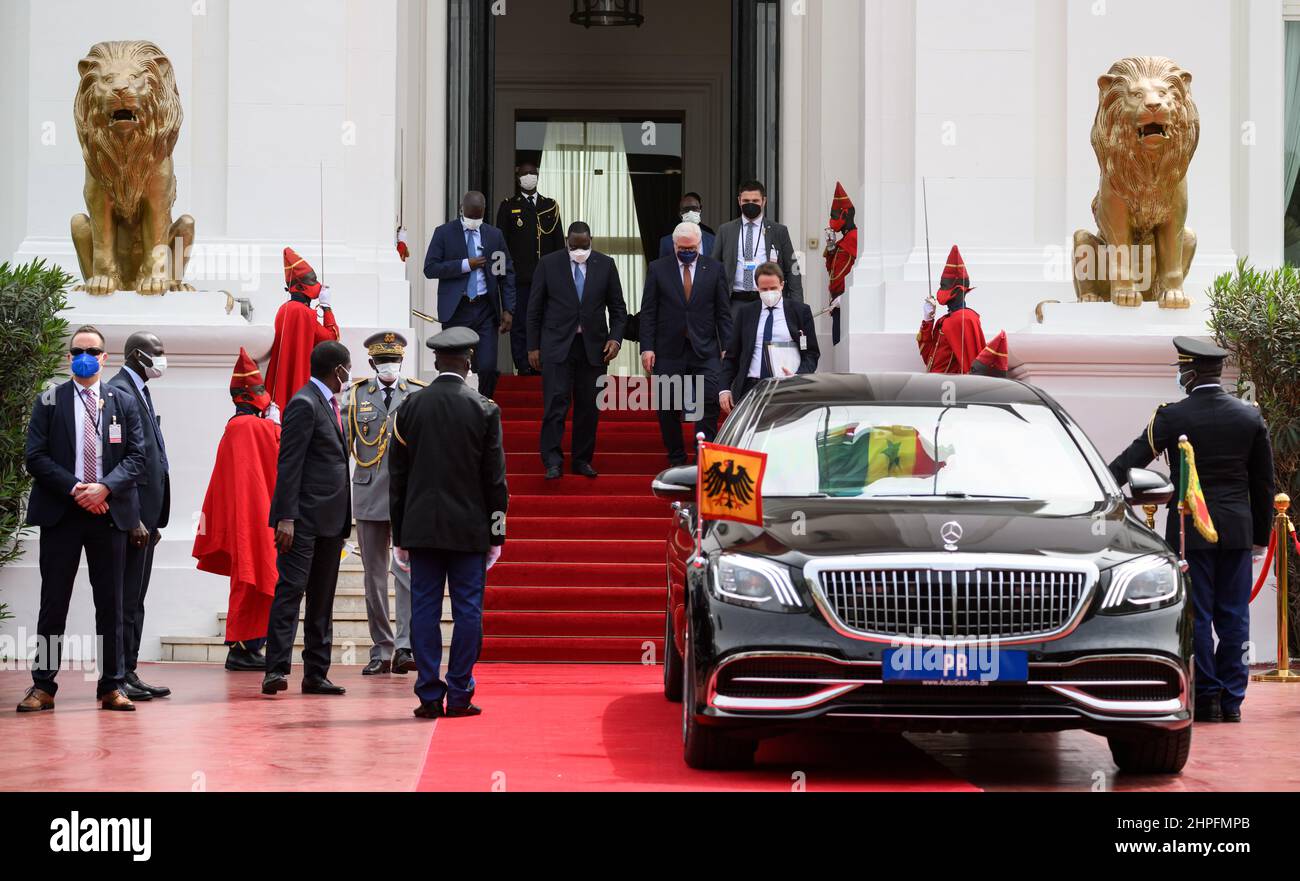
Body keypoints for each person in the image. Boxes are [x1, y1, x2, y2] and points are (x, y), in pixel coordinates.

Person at [1108, 337, 1274, 724]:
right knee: (1234, 616)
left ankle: (1207, 696)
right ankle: (1232, 701)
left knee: (1196, 615)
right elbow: (1263, 485)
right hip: (1236, 530)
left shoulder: (1172, 417)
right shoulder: (1249, 417)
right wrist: (1261, 539)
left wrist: (1094, 486)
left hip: (1189, 530)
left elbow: (1128, 463)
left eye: (1182, 370)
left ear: (1190, 373)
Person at [19, 325, 146, 713]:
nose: (83, 356)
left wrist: (104, 488)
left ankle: (112, 684)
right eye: (76, 351)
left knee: (111, 604)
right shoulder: (49, 399)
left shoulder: (121, 401)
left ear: (105, 357)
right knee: (53, 603)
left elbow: (137, 458)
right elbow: (35, 457)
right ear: (69, 357)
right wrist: (77, 489)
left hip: (109, 514)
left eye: (91, 350)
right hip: (62, 513)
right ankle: (43, 685)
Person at [390, 328, 509, 719]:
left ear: (437, 362)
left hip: (421, 529)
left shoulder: (409, 408)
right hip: (469, 530)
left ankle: (428, 694)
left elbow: (399, 479)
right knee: (468, 613)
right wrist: (497, 531)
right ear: (469, 363)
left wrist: (399, 533)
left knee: (424, 611)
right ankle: (459, 693)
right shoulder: (484, 409)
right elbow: (495, 480)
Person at [262, 341, 354, 697]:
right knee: (290, 592)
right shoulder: (304, 403)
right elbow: (289, 463)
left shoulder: (330, 405)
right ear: (338, 370)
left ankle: (316, 672)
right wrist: (285, 516)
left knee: (322, 599)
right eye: (348, 368)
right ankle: (275, 669)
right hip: (301, 521)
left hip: (331, 521)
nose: (350, 374)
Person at [192, 348, 282, 672]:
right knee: (250, 581)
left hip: (250, 516)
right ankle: (243, 647)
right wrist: (276, 426)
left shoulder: (238, 426)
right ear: (247, 394)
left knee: (251, 580)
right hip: (253, 519)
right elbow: (279, 448)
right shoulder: (250, 427)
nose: (264, 395)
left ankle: (248, 646)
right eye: (259, 390)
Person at [344, 332, 425, 675]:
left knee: (406, 574)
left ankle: (405, 645)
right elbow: (343, 447)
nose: (390, 366)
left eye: (395, 361)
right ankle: (382, 646)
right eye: (383, 362)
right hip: (369, 492)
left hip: (406, 496)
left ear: (403, 362)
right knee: (374, 577)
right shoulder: (357, 395)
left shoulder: (418, 394)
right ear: (372, 363)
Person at [527, 221, 628, 480]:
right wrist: (533, 347)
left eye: (584, 246)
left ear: (591, 240)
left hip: (594, 349)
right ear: (566, 242)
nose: (579, 251)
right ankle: (552, 460)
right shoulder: (549, 264)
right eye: (574, 246)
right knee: (555, 404)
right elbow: (534, 309)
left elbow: (618, 309)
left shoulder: (605, 265)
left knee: (588, 408)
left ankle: (582, 460)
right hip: (557, 347)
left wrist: (616, 340)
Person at [107, 332, 172, 702]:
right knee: (124, 598)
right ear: (136, 355)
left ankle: (129, 668)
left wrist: (156, 517)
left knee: (136, 597)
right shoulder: (120, 392)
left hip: (148, 517)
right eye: (156, 354)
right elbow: (122, 463)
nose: (162, 360)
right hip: (131, 519)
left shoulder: (140, 390)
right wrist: (135, 518)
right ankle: (117, 674)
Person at [640, 222, 733, 466]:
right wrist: (647, 347)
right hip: (668, 349)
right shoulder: (658, 269)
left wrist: (727, 346)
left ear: (700, 244)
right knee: (667, 405)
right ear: (674, 245)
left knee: (708, 402)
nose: (687, 251)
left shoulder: (714, 269)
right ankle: (676, 457)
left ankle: (702, 456)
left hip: (705, 348)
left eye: (692, 247)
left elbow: (723, 312)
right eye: (683, 247)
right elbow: (648, 311)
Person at [424, 190, 517, 400]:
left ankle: (483, 405)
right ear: (461, 209)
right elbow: (430, 268)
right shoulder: (444, 233)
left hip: (485, 309)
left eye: (478, 216)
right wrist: (466, 265)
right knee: (455, 363)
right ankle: (456, 405)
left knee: (487, 366)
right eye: (471, 216)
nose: (474, 221)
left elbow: (506, 273)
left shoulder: (494, 236)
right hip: (457, 309)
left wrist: (508, 309)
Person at [719, 263, 819, 416]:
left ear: (782, 285)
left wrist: (798, 376)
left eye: (773, 288)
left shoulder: (800, 311)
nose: (769, 292)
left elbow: (811, 354)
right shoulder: (746, 313)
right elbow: (732, 356)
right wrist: (724, 388)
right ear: (757, 288)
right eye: (764, 289)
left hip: (787, 387)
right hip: (751, 387)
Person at [496, 161, 565, 377]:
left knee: (545, 321)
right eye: (525, 173)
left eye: (532, 173)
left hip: (546, 278)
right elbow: (501, 245)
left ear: (538, 176)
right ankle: (523, 365)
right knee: (520, 323)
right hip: (519, 278)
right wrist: (502, 276)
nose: (529, 176)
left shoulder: (550, 206)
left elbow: (558, 245)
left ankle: (543, 363)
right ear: (518, 177)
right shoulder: (508, 206)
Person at [711, 180, 804, 325]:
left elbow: (793, 269)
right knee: (735, 346)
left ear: (764, 201)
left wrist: (797, 305)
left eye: (755, 200)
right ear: (739, 201)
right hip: (735, 302)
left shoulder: (779, 231)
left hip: (768, 300)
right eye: (746, 200)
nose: (750, 204)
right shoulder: (725, 230)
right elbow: (714, 267)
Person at [265, 247, 341, 413]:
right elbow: (331, 339)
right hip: (302, 383)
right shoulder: (305, 313)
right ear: (301, 286)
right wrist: (327, 308)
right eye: (311, 280)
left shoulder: (283, 309)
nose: (316, 285)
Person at [918, 244, 986, 374]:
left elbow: (971, 365)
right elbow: (929, 359)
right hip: (934, 385)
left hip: (951, 389)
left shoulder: (966, 319)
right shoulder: (944, 321)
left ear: (960, 291)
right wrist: (927, 320)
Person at [823, 182, 858, 346]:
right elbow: (832, 270)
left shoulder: (854, 238)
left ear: (845, 214)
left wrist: (844, 297)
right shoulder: (843, 241)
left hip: (846, 300)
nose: (833, 220)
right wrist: (831, 248)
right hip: (836, 300)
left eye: (835, 215)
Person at [658, 192, 716, 259]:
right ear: (680, 214)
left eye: (694, 208)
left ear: (700, 210)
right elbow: (663, 267)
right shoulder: (666, 242)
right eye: (686, 209)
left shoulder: (712, 240)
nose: (690, 212)